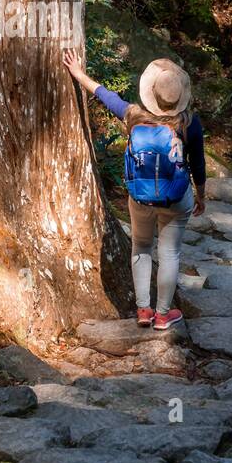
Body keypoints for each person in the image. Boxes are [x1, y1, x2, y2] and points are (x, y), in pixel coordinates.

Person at [63, 50, 206, 330]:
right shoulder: (189, 122)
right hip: (177, 199)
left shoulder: (134, 116)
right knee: (169, 254)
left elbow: (107, 97)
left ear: (152, 93)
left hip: (140, 197)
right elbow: (198, 165)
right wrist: (201, 196)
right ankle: (163, 315)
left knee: (140, 246)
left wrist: (79, 74)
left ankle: (143, 310)